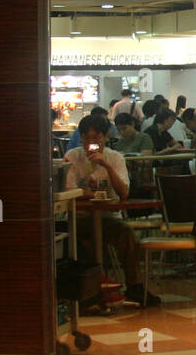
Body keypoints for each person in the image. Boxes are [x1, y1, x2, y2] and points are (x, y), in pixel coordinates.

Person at [63, 113, 157, 306]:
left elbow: (123, 193)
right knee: (78, 240)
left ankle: (135, 287)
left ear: (106, 136)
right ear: (80, 138)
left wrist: (106, 165)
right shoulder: (72, 157)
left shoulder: (115, 158)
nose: (91, 143)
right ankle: (89, 292)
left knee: (126, 234)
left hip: (108, 217)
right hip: (78, 218)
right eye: (86, 138)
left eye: (96, 138)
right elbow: (68, 190)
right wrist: (89, 193)